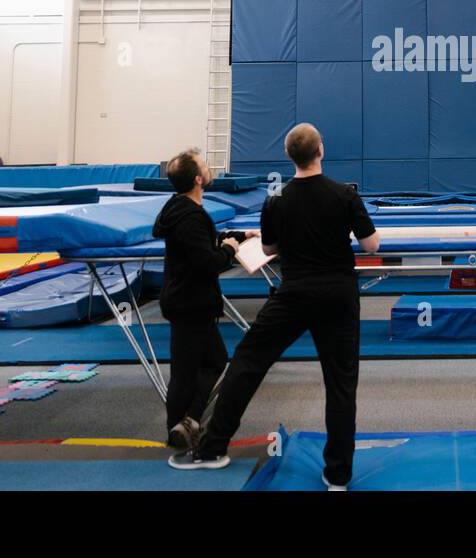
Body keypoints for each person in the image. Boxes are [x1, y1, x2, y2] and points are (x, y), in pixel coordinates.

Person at [169, 123, 379, 490]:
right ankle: (337, 476)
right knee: (341, 384)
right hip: (337, 296)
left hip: (295, 293)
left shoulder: (276, 200)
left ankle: (213, 447)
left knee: (248, 361)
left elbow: (268, 250)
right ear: (321, 151)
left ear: (289, 157)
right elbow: (371, 246)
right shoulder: (344, 195)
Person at [153, 148, 256, 450]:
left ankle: (190, 421)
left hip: (191, 302)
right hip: (189, 303)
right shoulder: (189, 216)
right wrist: (229, 251)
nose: (210, 169)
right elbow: (207, 261)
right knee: (185, 373)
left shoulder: (182, 208)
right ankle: (178, 430)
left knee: (214, 360)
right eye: (205, 166)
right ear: (198, 179)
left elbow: (203, 242)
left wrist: (238, 236)